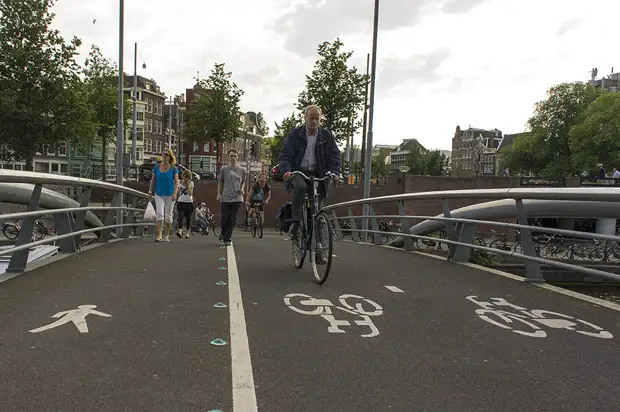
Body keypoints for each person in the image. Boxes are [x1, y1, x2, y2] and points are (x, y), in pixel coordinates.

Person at [278, 104, 341, 239]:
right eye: (311, 118)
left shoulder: (327, 136)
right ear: (305, 118)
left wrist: (335, 172)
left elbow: (334, 156)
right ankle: (295, 223)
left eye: (317, 118)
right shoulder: (295, 134)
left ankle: (318, 245)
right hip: (298, 172)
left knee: (317, 208)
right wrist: (287, 171)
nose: (314, 121)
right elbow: (285, 156)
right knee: (300, 187)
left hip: (318, 173)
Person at [148, 148, 179, 242]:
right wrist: (150, 191)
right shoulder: (157, 167)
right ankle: (159, 235)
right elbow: (153, 180)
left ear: (170, 157)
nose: (164, 156)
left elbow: (177, 183)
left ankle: (167, 234)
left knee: (168, 216)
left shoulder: (174, 168)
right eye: (163, 154)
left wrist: (175, 193)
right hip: (159, 193)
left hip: (170, 194)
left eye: (166, 154)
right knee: (160, 214)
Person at [217, 148, 246, 246]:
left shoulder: (242, 170)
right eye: (231, 156)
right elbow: (220, 182)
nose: (233, 158)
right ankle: (223, 231)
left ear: (237, 157)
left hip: (237, 197)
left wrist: (242, 188)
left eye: (234, 156)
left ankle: (227, 239)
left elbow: (243, 182)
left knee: (232, 219)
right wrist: (219, 194)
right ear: (228, 157)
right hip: (225, 197)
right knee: (224, 219)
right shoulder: (224, 169)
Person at [175, 169, 195, 239]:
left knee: (188, 218)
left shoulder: (191, 183)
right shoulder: (179, 182)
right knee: (180, 217)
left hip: (189, 203)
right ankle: (180, 231)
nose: (185, 178)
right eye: (184, 176)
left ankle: (187, 233)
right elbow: (177, 192)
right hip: (180, 202)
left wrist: (188, 184)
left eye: (187, 177)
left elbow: (190, 194)